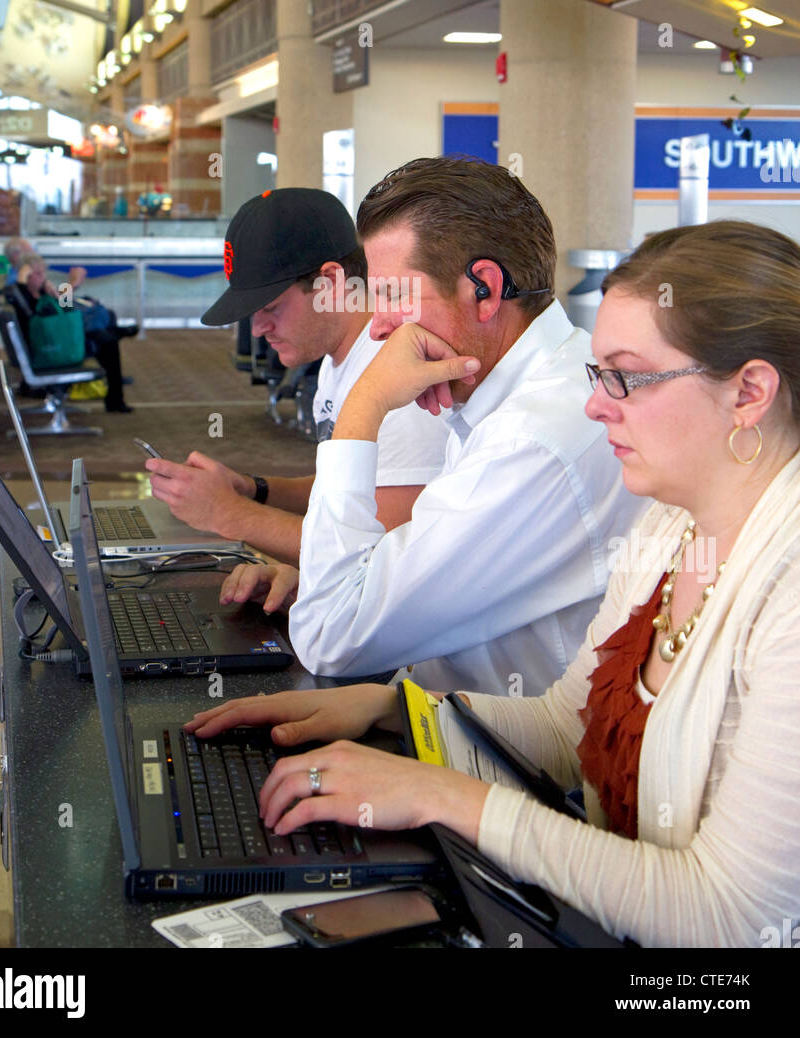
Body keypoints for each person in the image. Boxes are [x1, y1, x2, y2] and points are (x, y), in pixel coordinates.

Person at [185, 219, 800, 948]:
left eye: (626, 378)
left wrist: (442, 795)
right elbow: (566, 724)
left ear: (750, 392)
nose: (597, 404)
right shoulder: (672, 523)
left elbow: (731, 916)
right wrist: (395, 710)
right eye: (597, 374)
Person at [281, 157, 646, 694]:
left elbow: (331, 639)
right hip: (458, 720)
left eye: (392, 297)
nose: (378, 328)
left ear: (485, 289)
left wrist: (363, 407)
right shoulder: (518, 392)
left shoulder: (533, 439)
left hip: (506, 757)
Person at [144, 187, 449, 610]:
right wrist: (257, 491)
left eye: (270, 306)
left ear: (330, 283)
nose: (256, 328)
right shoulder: (338, 361)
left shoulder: (397, 377)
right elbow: (351, 489)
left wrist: (228, 513)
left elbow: (380, 559)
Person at [5, 251, 136, 413]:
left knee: (106, 337)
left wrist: (62, 288)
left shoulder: (39, 294)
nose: (42, 277)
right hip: (50, 349)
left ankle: (114, 334)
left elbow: (65, 309)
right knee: (107, 341)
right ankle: (115, 401)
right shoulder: (23, 298)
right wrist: (71, 284)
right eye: (37, 274)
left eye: (43, 273)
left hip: (57, 342)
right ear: (25, 276)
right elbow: (58, 317)